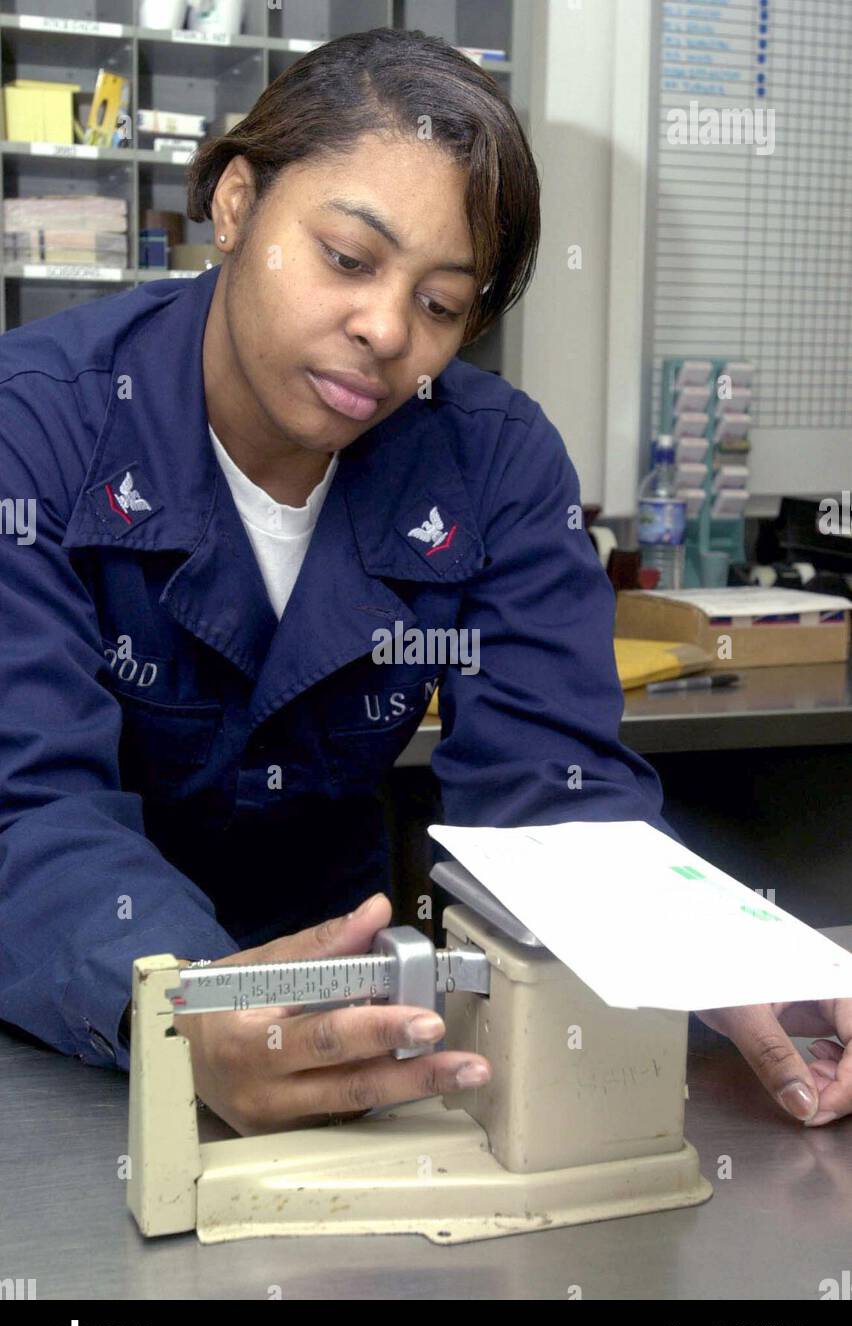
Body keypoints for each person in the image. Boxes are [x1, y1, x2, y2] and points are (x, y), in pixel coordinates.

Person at [0, 28, 846, 1136]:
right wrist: (188, 1007)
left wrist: (711, 951)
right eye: (349, 258)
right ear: (239, 203)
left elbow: (558, 793)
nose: (386, 330)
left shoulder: (496, 460)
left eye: (442, 305)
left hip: (357, 1036)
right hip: (75, 1022)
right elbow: (27, 807)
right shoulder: (37, 426)